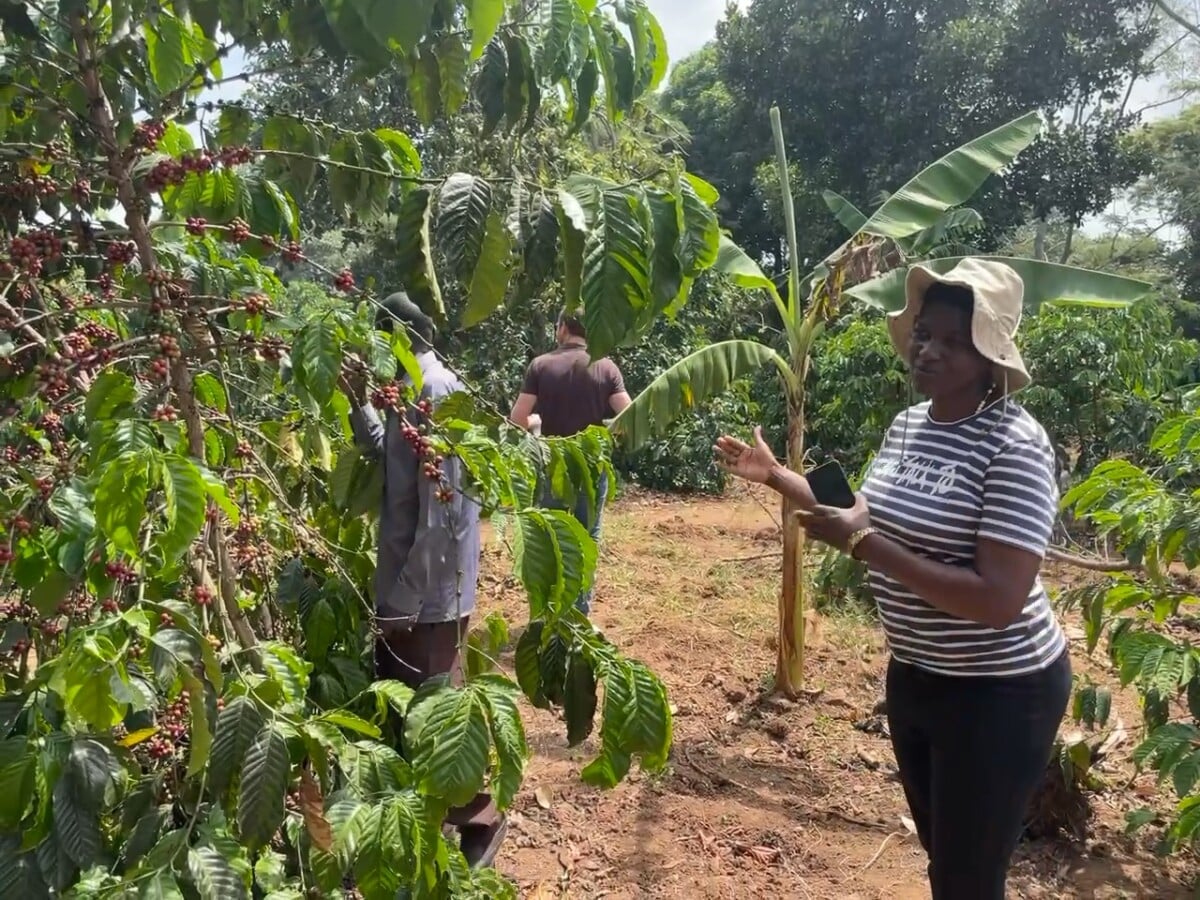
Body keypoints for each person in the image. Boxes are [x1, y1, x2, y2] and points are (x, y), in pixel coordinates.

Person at [715, 258, 1070, 900]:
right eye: (925, 334)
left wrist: (864, 545)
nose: (928, 351)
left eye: (953, 342)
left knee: (968, 876)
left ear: (991, 355)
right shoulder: (911, 426)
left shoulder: (1015, 445)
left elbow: (999, 599)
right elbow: (859, 516)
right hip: (916, 675)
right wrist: (774, 476)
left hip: (1000, 693)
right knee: (944, 856)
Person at [342, 291, 507, 868]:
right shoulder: (405, 388)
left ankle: (480, 820)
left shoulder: (434, 390)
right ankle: (426, 823)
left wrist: (403, 602)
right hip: (406, 582)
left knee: (437, 710)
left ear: (401, 339)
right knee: (411, 704)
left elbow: (442, 514)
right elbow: (390, 454)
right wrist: (356, 400)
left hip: (428, 589)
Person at [509, 312, 632, 613]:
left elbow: (516, 419)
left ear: (563, 328)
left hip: (553, 465)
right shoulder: (606, 366)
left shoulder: (541, 365)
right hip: (591, 468)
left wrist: (536, 422)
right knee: (586, 538)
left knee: (552, 538)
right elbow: (629, 419)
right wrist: (601, 429)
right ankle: (579, 614)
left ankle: (549, 614)